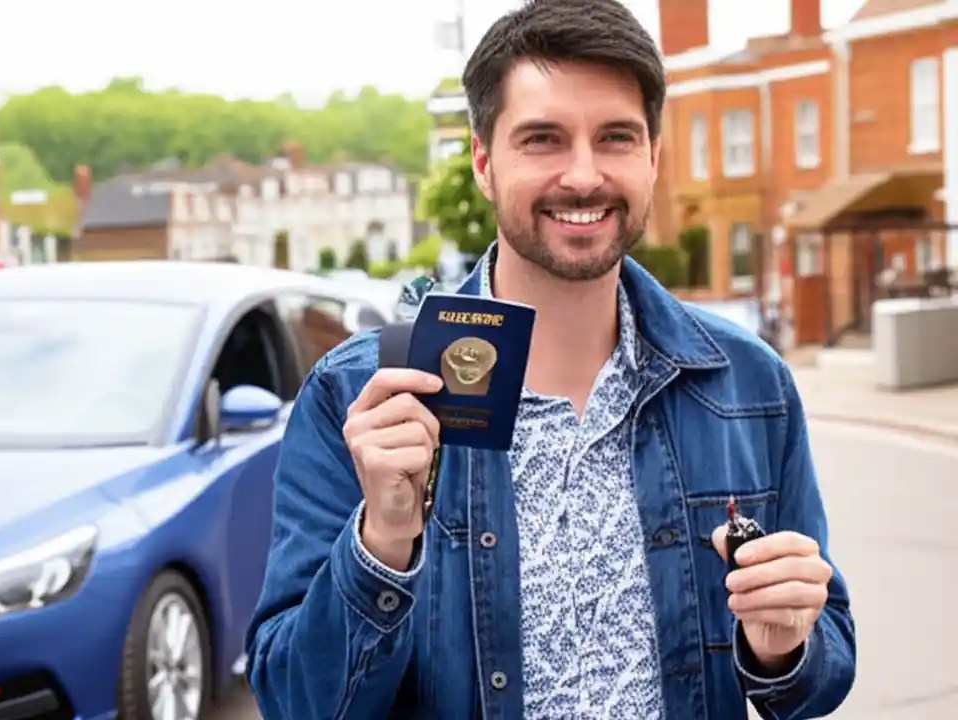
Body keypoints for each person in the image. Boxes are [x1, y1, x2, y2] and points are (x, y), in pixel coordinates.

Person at [243, 0, 856, 718]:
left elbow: (823, 667)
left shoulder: (750, 386)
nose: (584, 175)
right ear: (482, 161)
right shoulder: (360, 396)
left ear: (653, 158)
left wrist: (782, 644)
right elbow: (295, 700)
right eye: (543, 139)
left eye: (617, 138)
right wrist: (382, 540)